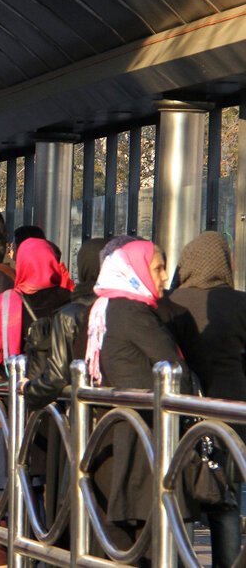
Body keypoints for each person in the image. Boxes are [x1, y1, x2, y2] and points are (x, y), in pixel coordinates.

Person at [85, 236, 190, 557]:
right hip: (144, 436)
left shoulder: (107, 305)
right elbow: (174, 367)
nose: (163, 277)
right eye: (157, 268)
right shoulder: (133, 311)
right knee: (150, 539)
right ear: (135, 269)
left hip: (121, 432)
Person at [0, 238, 73, 567]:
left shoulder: (5, 302)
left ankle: (0, 556)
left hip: (7, 405)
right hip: (56, 409)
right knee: (46, 484)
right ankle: (45, 553)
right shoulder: (70, 302)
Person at [167, 231, 246, 568]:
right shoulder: (241, 303)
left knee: (180, 496)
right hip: (232, 411)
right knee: (225, 500)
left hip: (182, 410)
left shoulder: (172, 303)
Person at [23, 237, 107, 409]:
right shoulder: (122, 307)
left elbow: (57, 376)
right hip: (117, 410)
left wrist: (28, 391)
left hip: (77, 412)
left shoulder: (70, 312)